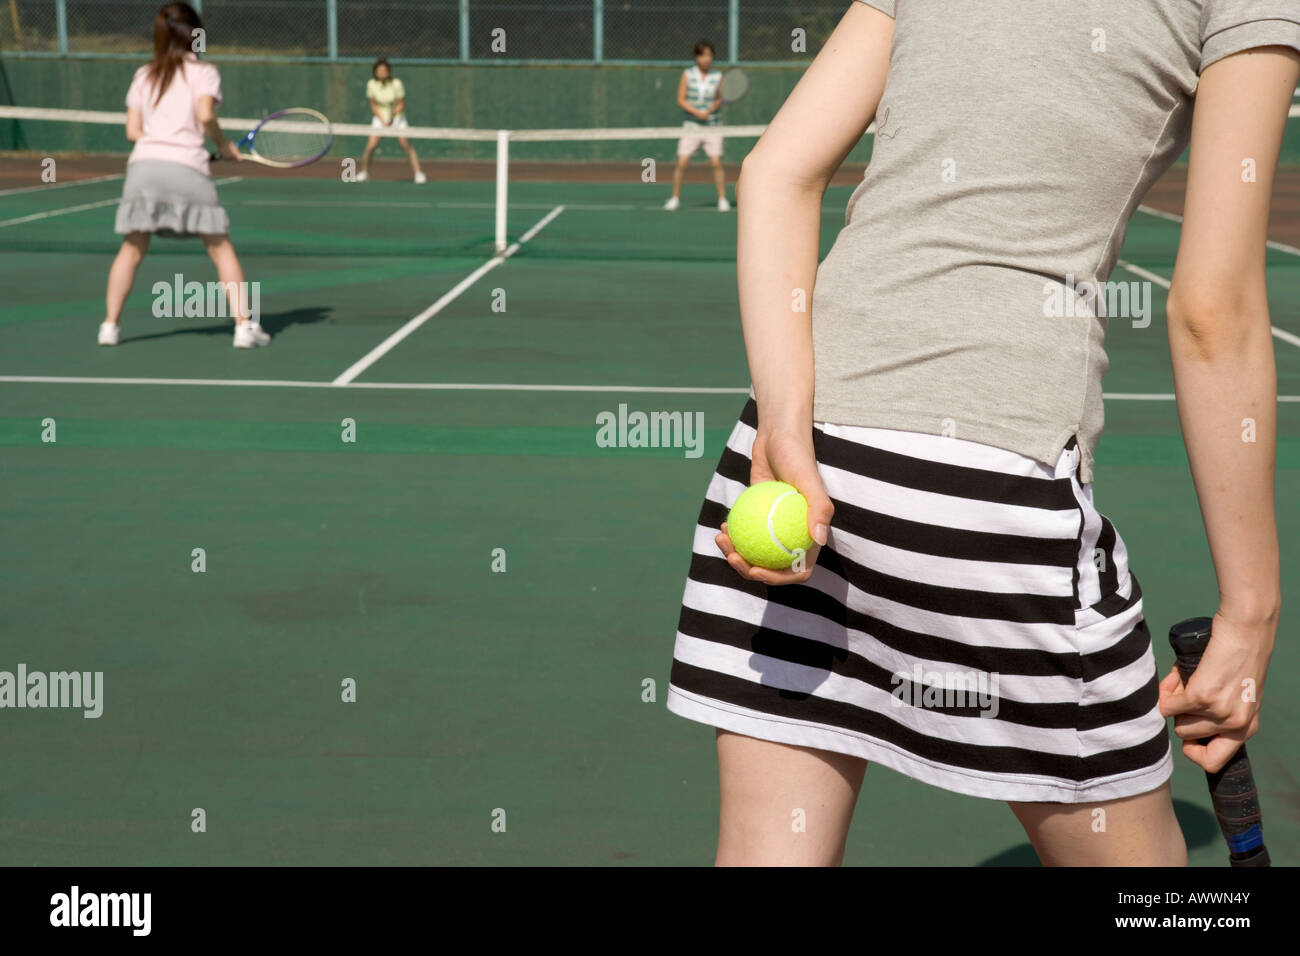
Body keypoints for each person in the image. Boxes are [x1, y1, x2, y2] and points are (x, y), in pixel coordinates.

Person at [666, 0, 1298, 866]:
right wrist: (1252, 613)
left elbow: (777, 169)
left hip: (788, 470)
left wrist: (784, 432)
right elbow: (1211, 310)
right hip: (991, 487)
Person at [101, 2, 268, 349]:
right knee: (221, 249)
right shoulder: (204, 73)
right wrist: (223, 145)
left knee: (131, 249)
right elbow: (205, 115)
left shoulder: (144, 75)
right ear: (195, 35)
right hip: (187, 169)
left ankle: (109, 327)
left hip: (143, 168)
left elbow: (133, 131)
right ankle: (243, 328)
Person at [665, 39, 729, 212]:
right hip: (691, 126)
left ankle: (722, 199)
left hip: (713, 126)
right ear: (696, 57)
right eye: (702, 55)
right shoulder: (687, 74)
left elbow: (719, 98)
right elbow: (680, 99)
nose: (706, 59)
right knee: (682, 163)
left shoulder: (718, 76)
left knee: (716, 163)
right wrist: (696, 112)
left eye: (709, 55)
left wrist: (711, 109)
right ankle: (675, 198)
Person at [358, 57, 427, 184]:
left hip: (398, 118)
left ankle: (418, 173)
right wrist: (383, 120)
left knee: (405, 145)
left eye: (384, 70)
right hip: (380, 118)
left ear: (389, 71)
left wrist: (392, 116)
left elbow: (401, 103)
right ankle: (364, 172)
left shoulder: (396, 83)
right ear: (375, 72)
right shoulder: (371, 84)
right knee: (371, 146)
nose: (382, 73)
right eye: (379, 70)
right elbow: (373, 104)